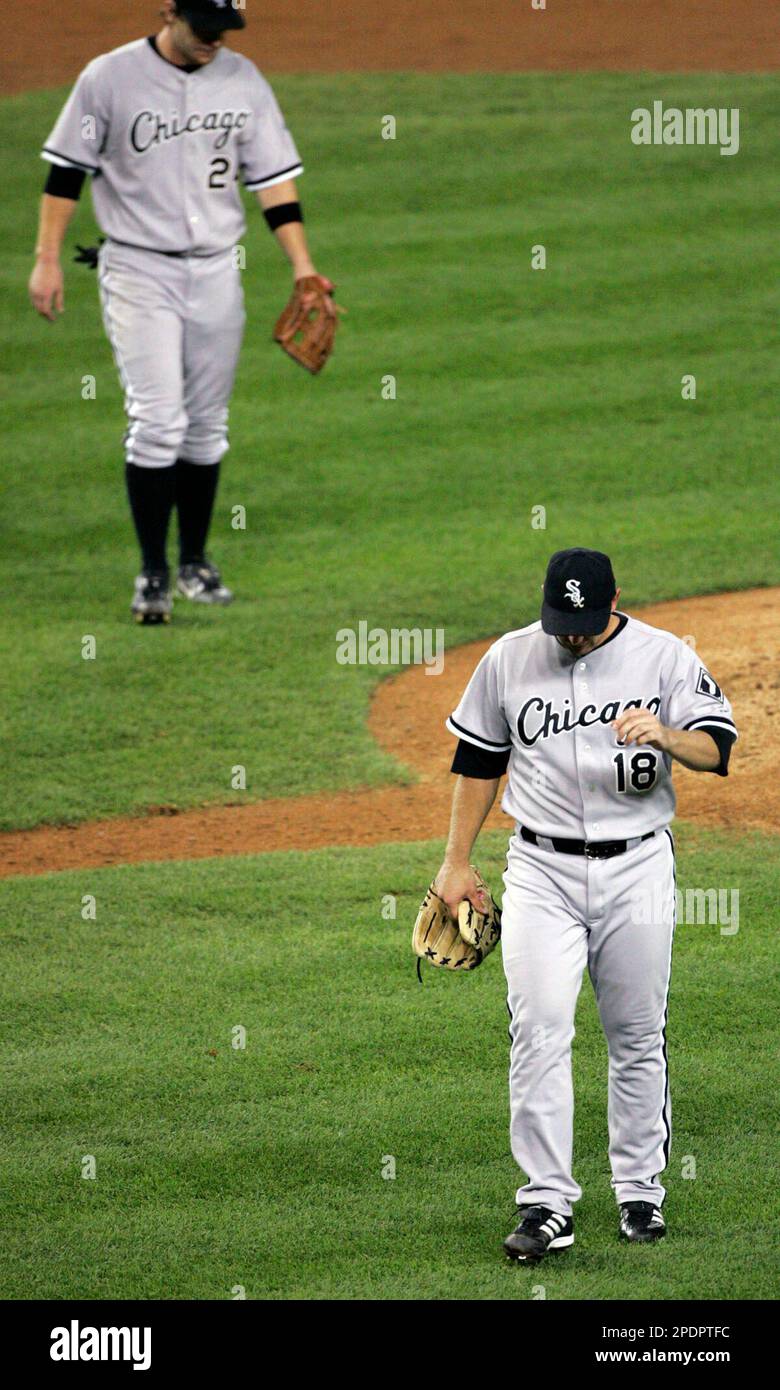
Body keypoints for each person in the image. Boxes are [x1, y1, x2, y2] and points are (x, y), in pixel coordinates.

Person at [437, 548, 737, 1263]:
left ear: (615, 601)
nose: (572, 635)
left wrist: (666, 734)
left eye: (586, 623)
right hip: (541, 871)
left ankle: (640, 1190)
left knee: (636, 1032)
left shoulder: (664, 658)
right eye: (561, 622)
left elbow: (717, 749)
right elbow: (479, 761)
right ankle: (545, 1202)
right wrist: (455, 862)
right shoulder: (508, 659)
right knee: (537, 1027)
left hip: (638, 867)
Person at [29, 0, 336, 623]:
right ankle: (153, 574)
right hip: (139, 270)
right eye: (204, 28)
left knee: (206, 426)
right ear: (168, 11)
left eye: (225, 30)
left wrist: (302, 264)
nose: (215, 42)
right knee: (159, 422)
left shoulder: (242, 79)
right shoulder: (108, 78)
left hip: (220, 269)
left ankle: (195, 562)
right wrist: (47, 258)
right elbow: (66, 174)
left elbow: (273, 179)